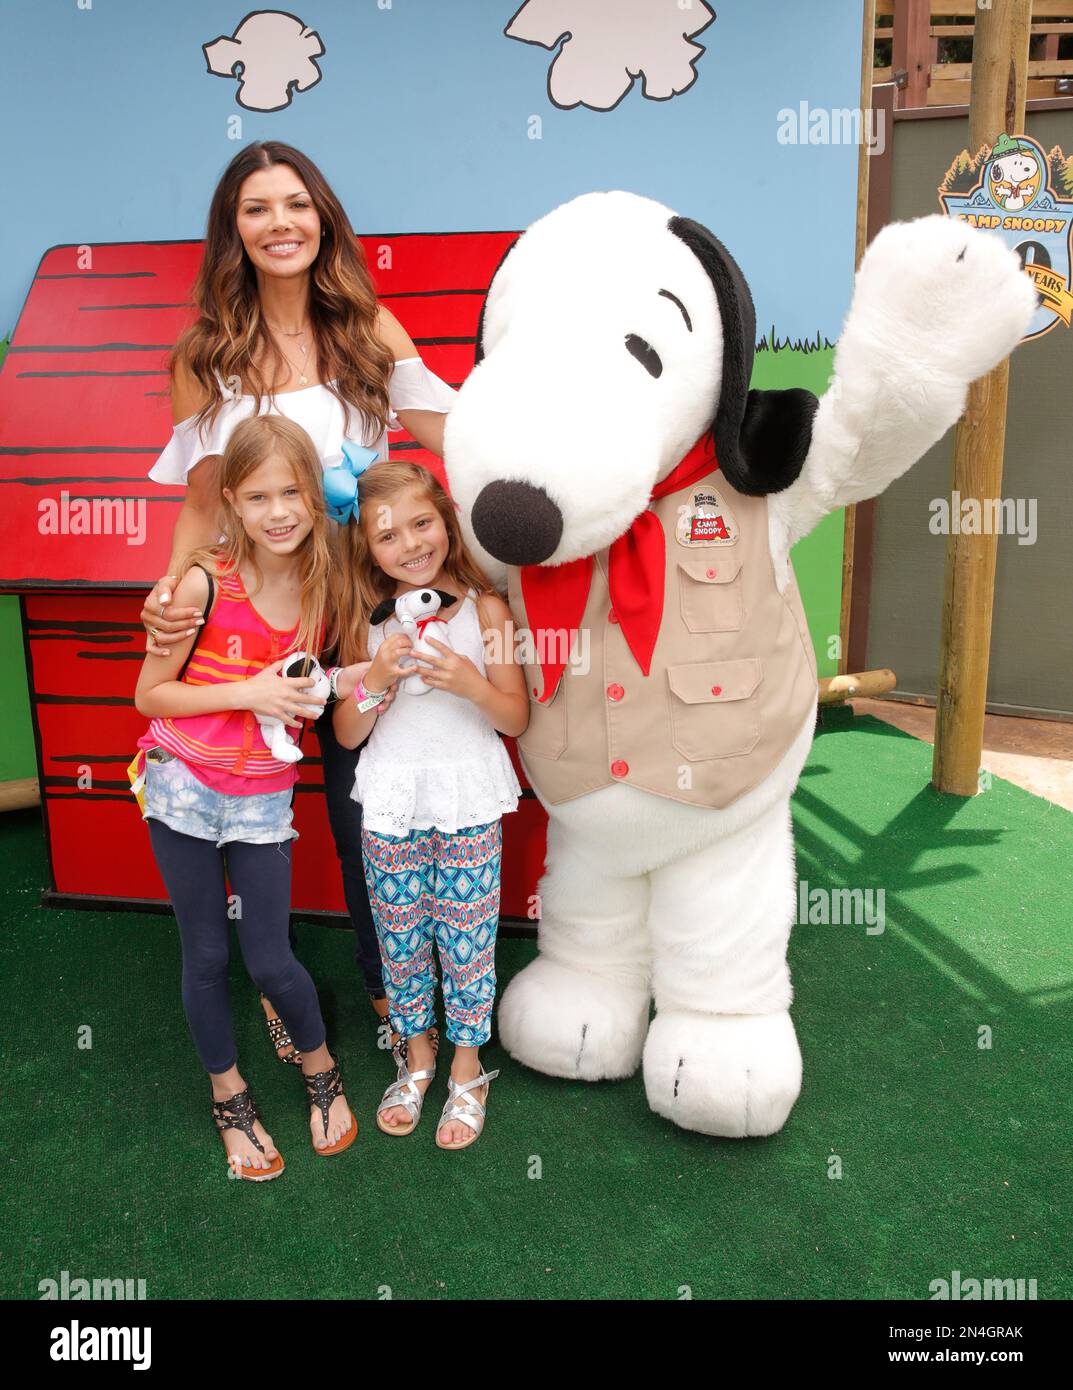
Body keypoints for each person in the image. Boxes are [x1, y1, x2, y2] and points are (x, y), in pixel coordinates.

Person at [139, 141, 456, 1050]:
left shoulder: (369, 330)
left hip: (352, 617)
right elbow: (202, 501)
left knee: (366, 814)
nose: (279, 224)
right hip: (244, 627)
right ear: (232, 230)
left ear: (322, 217)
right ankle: (277, 990)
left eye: (295, 204)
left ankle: (384, 985)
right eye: (256, 208)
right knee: (239, 821)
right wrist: (171, 595)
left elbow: (453, 436)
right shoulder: (205, 354)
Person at [133, 414, 373, 1178]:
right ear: (232, 501)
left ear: (314, 496)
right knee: (205, 952)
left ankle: (320, 1072)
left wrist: (376, 675)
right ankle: (228, 1094)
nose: (279, 511)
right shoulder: (202, 582)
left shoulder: (325, 584)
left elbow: (322, 682)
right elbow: (151, 696)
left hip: (264, 798)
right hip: (182, 790)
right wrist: (251, 690)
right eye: (260, 495)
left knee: (271, 960)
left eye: (294, 492)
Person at [333, 461, 529, 1149]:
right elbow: (348, 733)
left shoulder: (490, 612)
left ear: (445, 521)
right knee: (401, 940)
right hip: (390, 803)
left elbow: (513, 718)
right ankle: (418, 1058)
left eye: (421, 524)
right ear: (367, 548)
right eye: (388, 536)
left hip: (468, 800)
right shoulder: (366, 625)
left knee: (467, 943)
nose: (410, 544)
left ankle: (467, 1070)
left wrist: (472, 683)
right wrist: (374, 681)